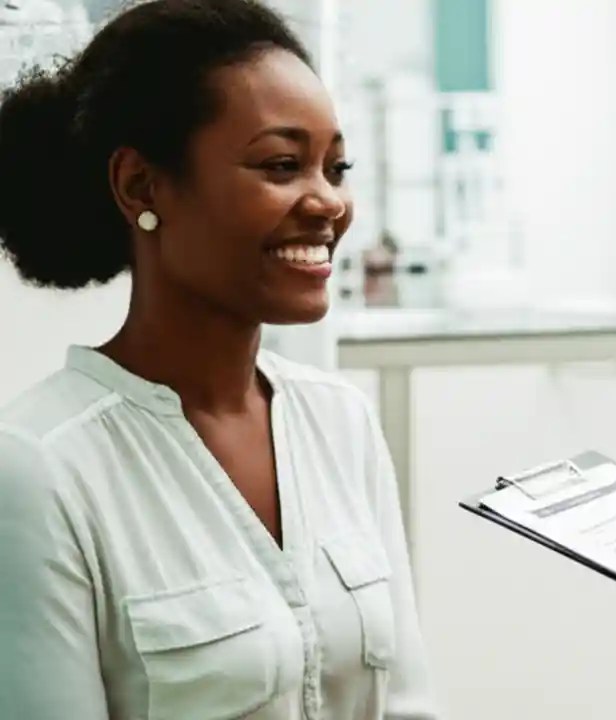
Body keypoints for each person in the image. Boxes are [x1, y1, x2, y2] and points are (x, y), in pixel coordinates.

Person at [0, 2, 433, 718]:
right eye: (282, 165)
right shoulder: (39, 470)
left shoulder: (340, 421)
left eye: (336, 166)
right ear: (141, 186)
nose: (328, 201)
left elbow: (410, 705)